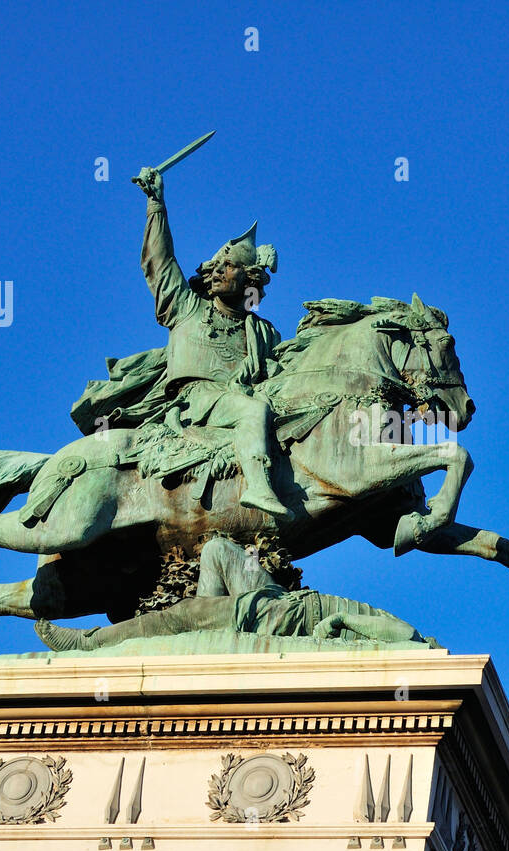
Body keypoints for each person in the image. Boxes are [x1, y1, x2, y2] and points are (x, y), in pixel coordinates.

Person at [135, 167, 290, 519]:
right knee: (253, 411)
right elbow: (159, 263)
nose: (218, 270)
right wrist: (156, 204)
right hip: (195, 403)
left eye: (229, 266)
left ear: (250, 278)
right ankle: (258, 488)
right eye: (216, 265)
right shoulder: (187, 307)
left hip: (241, 402)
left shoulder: (264, 333)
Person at [34, 537, 428, 650]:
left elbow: (404, 637)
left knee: (178, 617)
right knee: (217, 548)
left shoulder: (411, 643)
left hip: (285, 618)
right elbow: (404, 634)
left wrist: (339, 621)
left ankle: (89, 643)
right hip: (286, 603)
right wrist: (342, 619)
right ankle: (206, 617)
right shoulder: (410, 637)